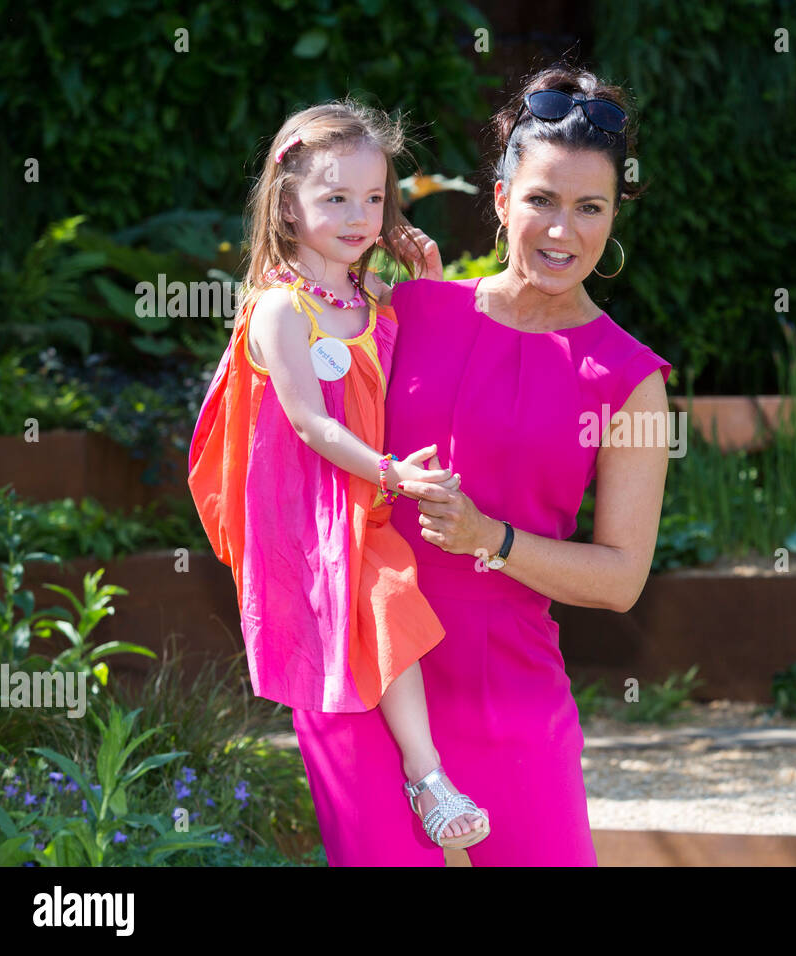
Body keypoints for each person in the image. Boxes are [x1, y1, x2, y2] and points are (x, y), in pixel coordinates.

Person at [290, 62, 674, 865]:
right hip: (373, 674)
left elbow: (619, 578)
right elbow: (294, 384)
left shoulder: (631, 379)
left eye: (589, 208)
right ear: (501, 200)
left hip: (513, 690)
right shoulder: (408, 309)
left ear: (614, 220)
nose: (561, 231)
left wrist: (489, 538)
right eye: (540, 200)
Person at [187, 99, 491, 851]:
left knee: (388, 601)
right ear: (288, 209)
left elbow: (425, 381)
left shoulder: (371, 299)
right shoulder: (282, 310)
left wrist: (429, 285)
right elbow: (309, 424)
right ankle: (429, 781)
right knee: (381, 596)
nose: (360, 216)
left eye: (375, 197)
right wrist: (388, 474)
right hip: (323, 507)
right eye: (335, 198)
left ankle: (429, 776)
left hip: (375, 494)